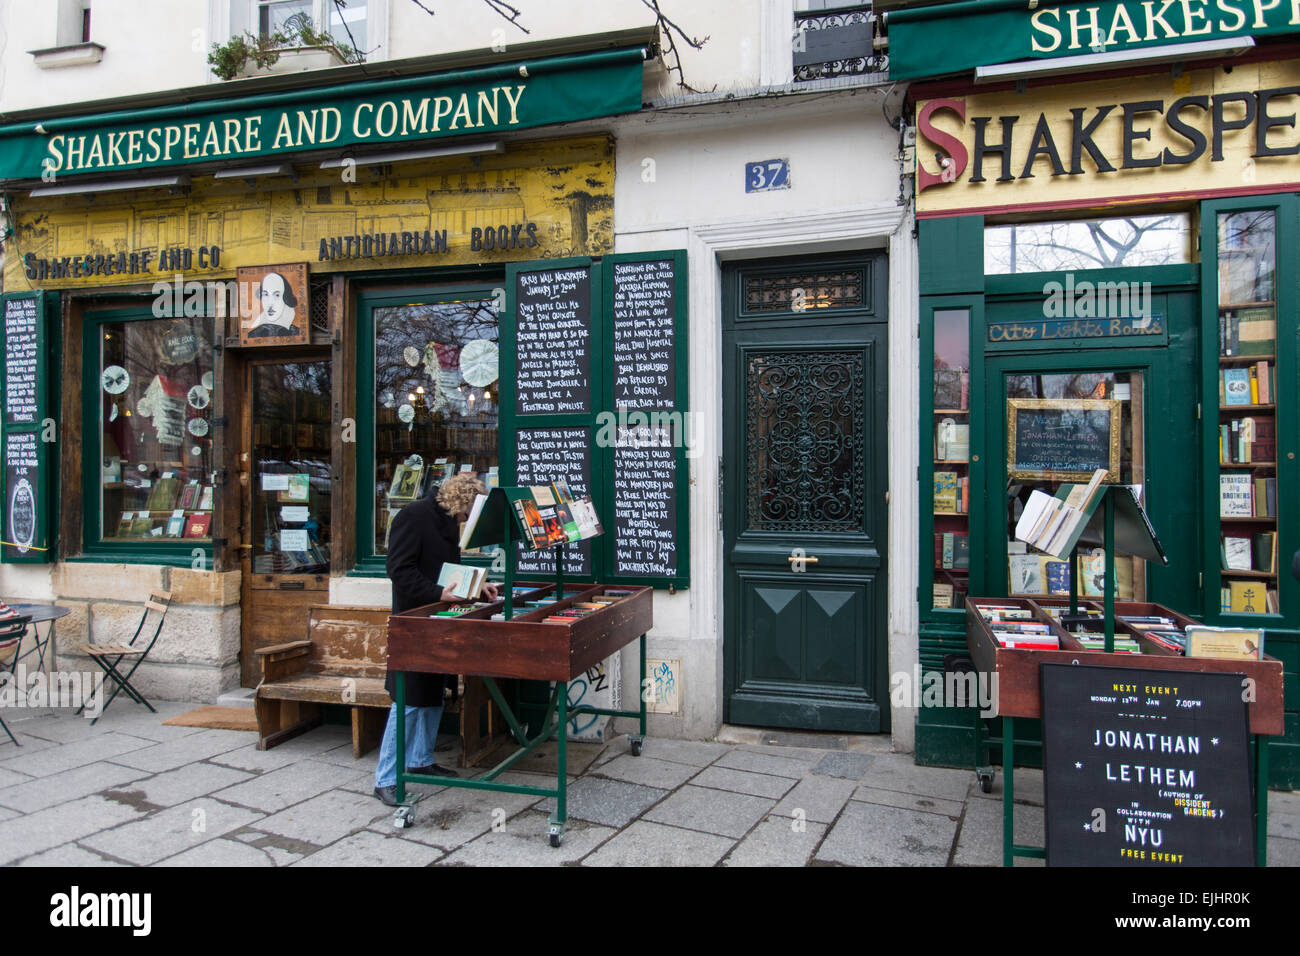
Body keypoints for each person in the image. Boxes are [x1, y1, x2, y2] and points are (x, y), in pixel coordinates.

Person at [374, 471, 498, 806]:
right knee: (409, 700)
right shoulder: (412, 517)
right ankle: (385, 779)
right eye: (466, 514)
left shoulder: (445, 521)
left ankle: (421, 761)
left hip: (439, 621)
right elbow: (399, 570)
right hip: (414, 623)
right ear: (461, 502)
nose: (466, 520)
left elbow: (451, 573)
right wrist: (437, 592)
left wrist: (477, 588)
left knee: (434, 696)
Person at [245, 272, 302, 339]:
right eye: (266, 294)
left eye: (277, 295)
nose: (270, 303)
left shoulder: (297, 333)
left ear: (285, 298)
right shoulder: (252, 335)